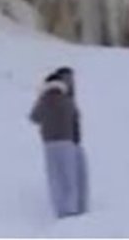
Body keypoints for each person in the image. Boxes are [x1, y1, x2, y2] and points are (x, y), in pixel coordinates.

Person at [29, 70, 85, 219]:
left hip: (49, 143)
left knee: (54, 177)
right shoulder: (67, 100)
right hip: (67, 141)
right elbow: (77, 117)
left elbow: (33, 118)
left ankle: (59, 210)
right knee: (69, 176)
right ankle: (71, 208)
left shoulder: (43, 101)